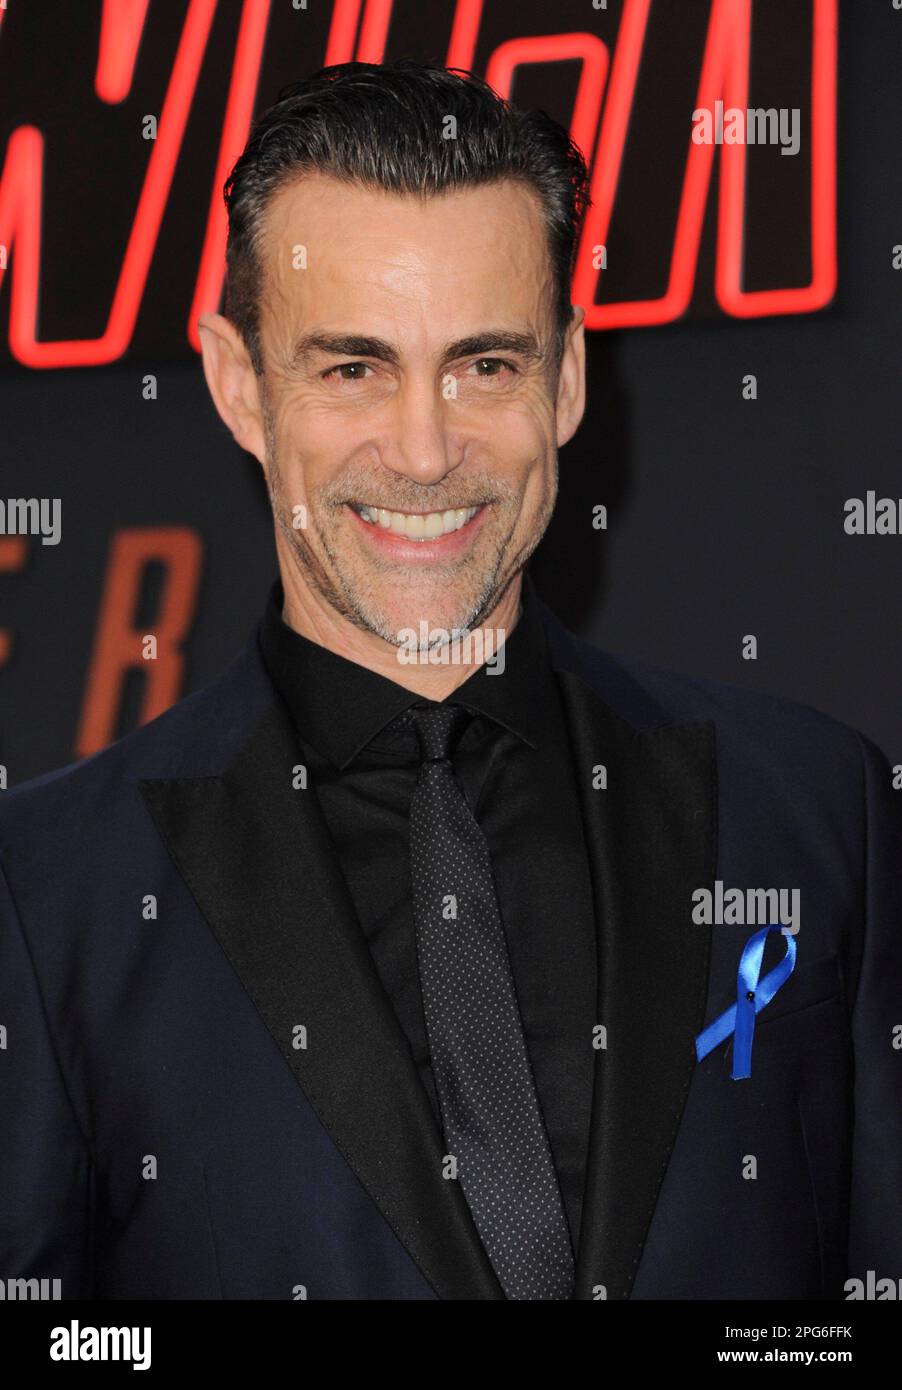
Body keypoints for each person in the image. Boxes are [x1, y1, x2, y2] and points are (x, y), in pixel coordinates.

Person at [1, 60, 899, 1302]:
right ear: (236, 384)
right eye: (352, 368)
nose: (425, 452)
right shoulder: (47, 897)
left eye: (485, 365)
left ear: (567, 379)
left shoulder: (814, 813)